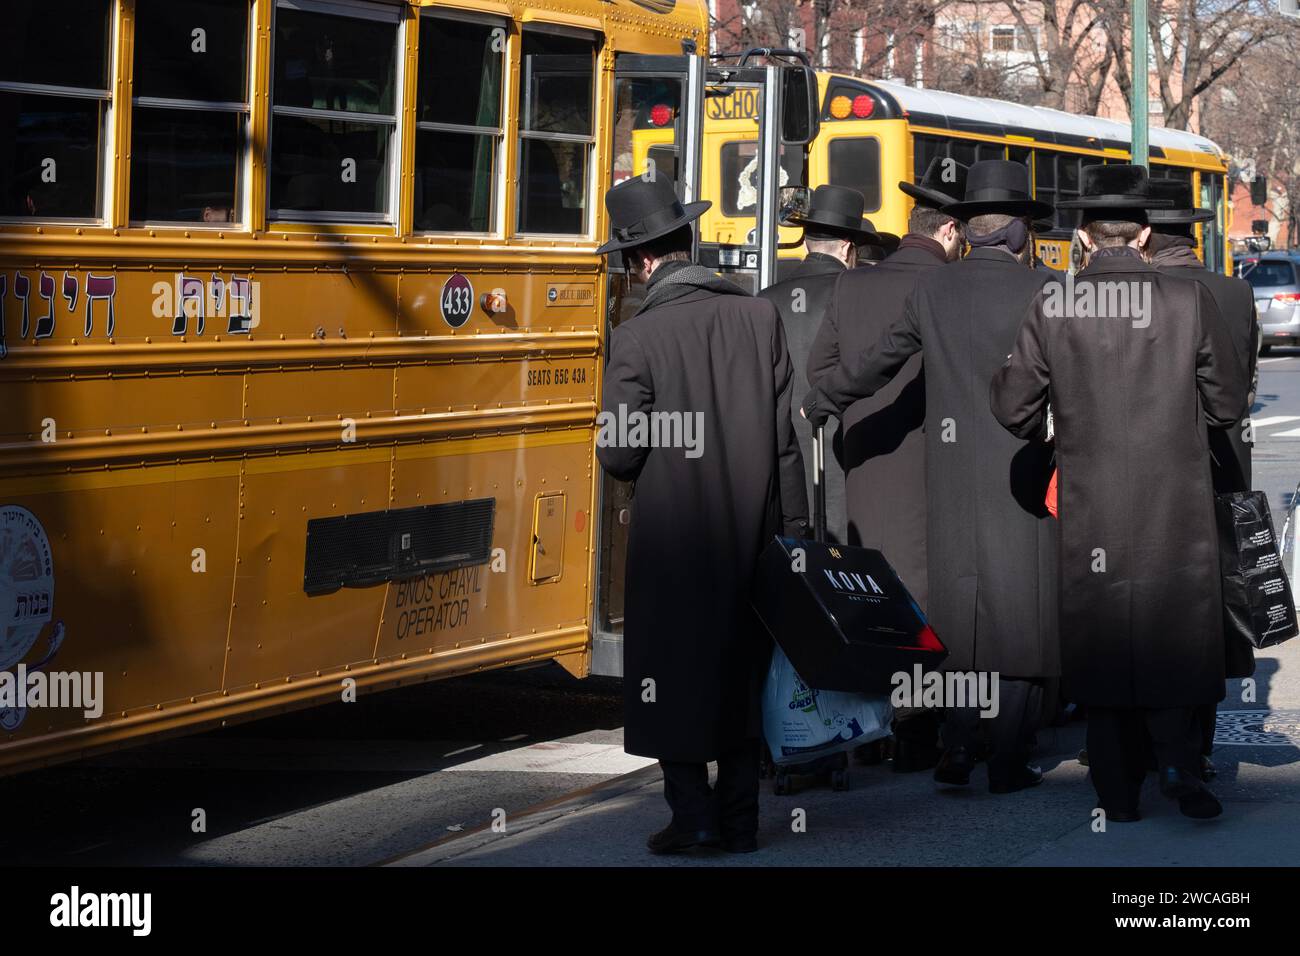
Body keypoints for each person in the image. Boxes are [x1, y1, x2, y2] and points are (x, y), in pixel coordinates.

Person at [990, 164, 1249, 821]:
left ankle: (1115, 790)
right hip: (1177, 503)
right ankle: (1178, 763)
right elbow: (1223, 405)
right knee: (1171, 631)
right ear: (1144, 237)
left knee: (1104, 637)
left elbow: (1015, 411)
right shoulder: (1191, 303)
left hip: (1092, 503)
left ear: (1081, 237)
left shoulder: (1055, 303)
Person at [804, 160, 1060, 794]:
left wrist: (823, 400)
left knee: (958, 617)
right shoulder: (1049, 290)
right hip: (1023, 468)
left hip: (947, 478)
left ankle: (956, 743)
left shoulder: (932, 293)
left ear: (967, 229)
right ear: (1019, 231)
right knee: (1021, 617)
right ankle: (1007, 757)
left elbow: (875, 365)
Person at [595, 175, 808, 854]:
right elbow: (785, 442)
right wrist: (798, 536)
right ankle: (741, 820)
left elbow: (621, 454)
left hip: (673, 540)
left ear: (641, 261)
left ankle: (694, 816)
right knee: (744, 674)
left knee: (672, 677)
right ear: (685, 242)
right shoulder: (758, 317)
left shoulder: (638, 338)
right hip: (753, 530)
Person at [803, 159, 966, 773]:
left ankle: (876, 727)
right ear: (949, 233)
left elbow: (824, 378)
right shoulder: (953, 287)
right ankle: (923, 730)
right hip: (944, 466)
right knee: (936, 594)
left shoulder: (853, 286)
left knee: (878, 595)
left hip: (868, 464)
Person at [1146, 177, 1260, 780]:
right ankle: (1200, 745)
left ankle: (1149, 742)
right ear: (1193, 235)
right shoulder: (1234, 292)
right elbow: (1243, 381)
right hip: (1224, 467)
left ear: (1144, 239)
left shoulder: (1138, 294)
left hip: (1150, 472)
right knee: (1217, 606)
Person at [759, 184, 885, 544]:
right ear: (848, 249)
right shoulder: (860, 298)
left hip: (784, 474)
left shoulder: (764, 302)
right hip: (848, 469)